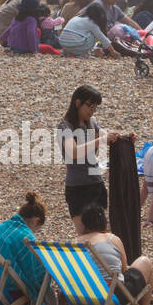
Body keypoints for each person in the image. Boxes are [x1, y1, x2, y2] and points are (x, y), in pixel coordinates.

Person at [75, 205, 153, 305]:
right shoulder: (111, 239)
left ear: (84, 225)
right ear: (104, 222)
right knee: (145, 261)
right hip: (112, 296)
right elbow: (124, 270)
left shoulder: (75, 243)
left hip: (83, 298)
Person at [60, 85, 111, 232]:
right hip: (78, 188)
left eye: (95, 107)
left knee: (102, 232)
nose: (93, 110)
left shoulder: (91, 122)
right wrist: (100, 141)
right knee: (84, 233)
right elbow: (73, 152)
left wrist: (123, 138)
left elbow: (105, 135)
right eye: (90, 106)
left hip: (96, 185)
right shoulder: (65, 127)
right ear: (77, 103)